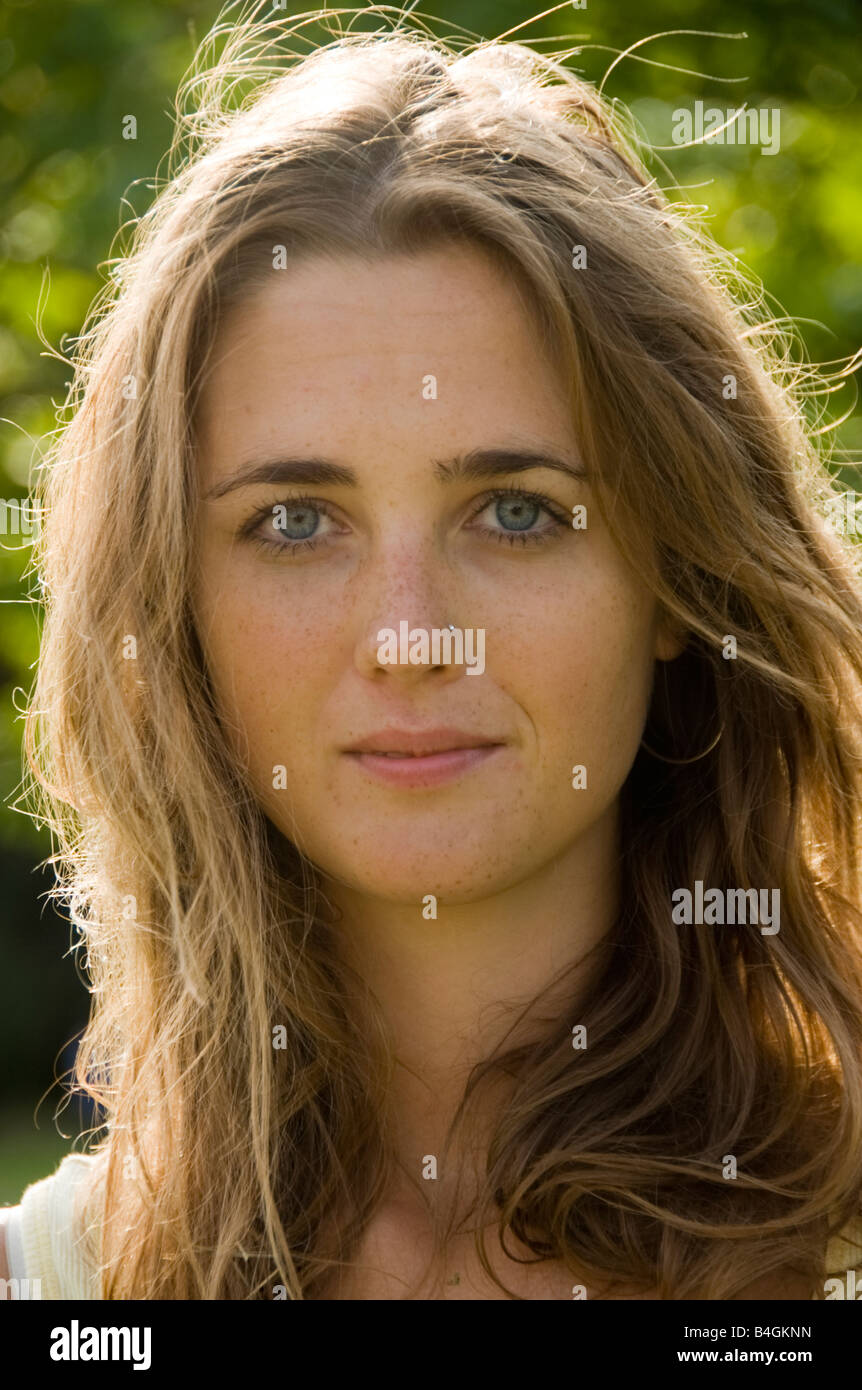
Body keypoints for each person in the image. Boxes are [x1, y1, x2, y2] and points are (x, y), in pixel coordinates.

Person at [2, 4, 862, 1300]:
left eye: (516, 511)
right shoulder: (57, 1288)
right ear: (175, 606)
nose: (407, 634)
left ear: (678, 573)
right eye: (293, 523)